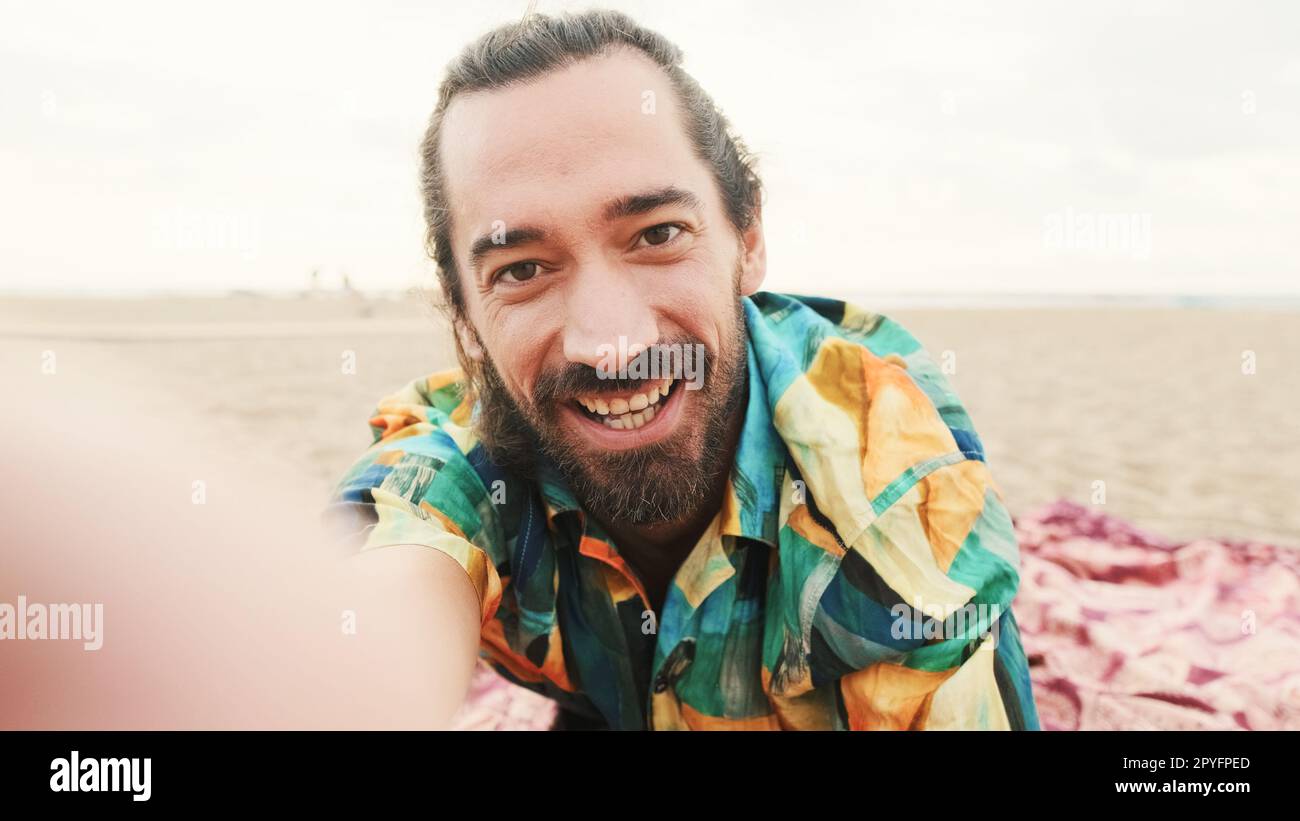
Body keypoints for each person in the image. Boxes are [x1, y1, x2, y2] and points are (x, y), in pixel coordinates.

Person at [327, 8, 1039, 730]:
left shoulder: (896, 500)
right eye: (523, 269)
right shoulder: (456, 471)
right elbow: (366, 639)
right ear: (463, 318)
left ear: (748, 237)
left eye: (658, 234)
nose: (611, 344)